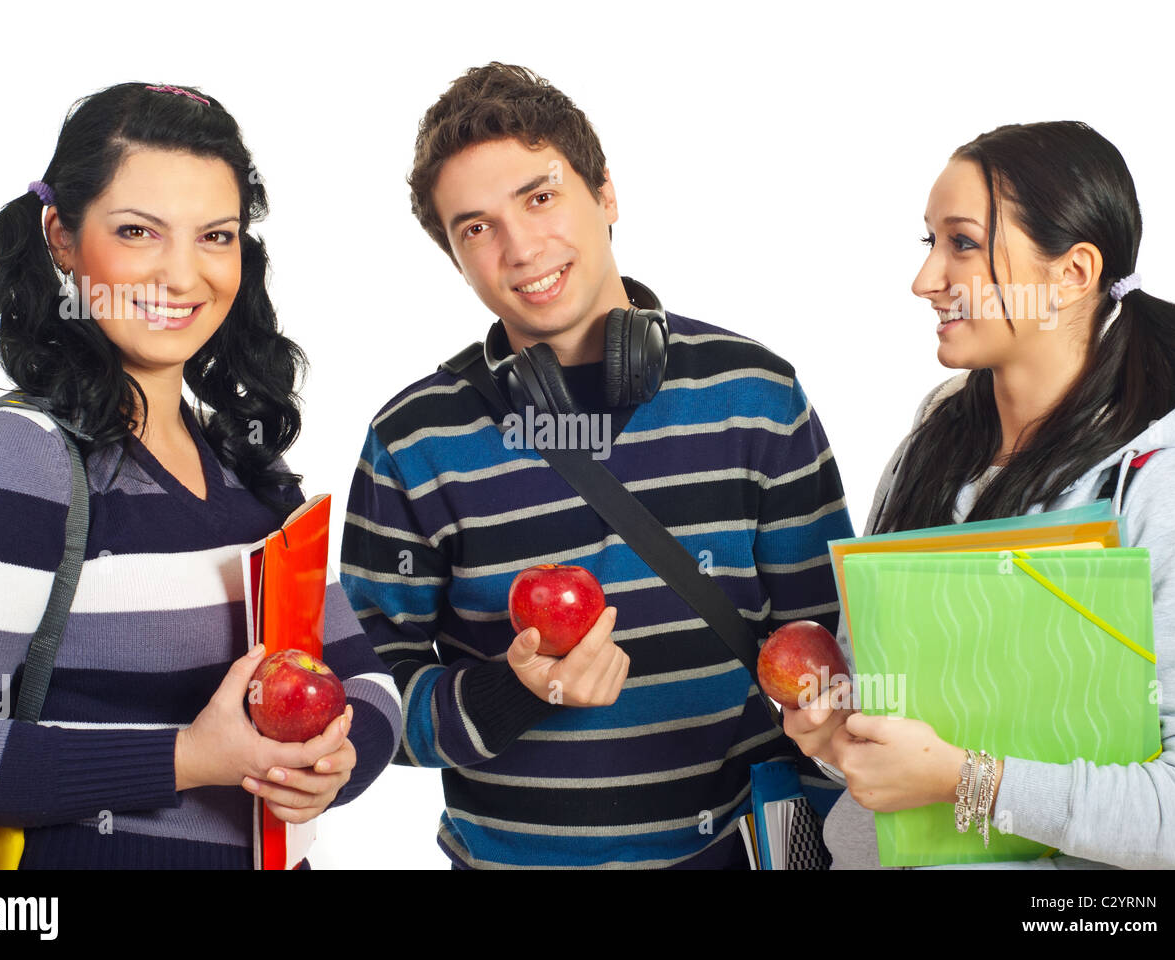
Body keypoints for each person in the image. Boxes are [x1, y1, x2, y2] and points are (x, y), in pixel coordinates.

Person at [340, 62, 854, 869]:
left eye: (539, 198)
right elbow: (364, 702)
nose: (521, 247)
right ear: (455, 255)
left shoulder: (755, 394)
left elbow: (832, 649)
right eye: (475, 227)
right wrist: (512, 691)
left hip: (736, 851)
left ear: (606, 193)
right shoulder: (413, 439)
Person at [0, 82, 400, 868]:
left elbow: (366, 679)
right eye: (138, 231)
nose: (182, 276)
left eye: (215, 236)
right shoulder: (21, 459)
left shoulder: (249, 468)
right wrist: (189, 759)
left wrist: (339, 760)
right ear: (61, 238)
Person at [785, 120, 1175, 869]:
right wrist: (835, 736)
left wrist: (965, 780)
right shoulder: (933, 444)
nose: (926, 280)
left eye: (965, 243)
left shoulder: (1169, 484)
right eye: (930, 243)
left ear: (1072, 273)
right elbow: (884, 744)